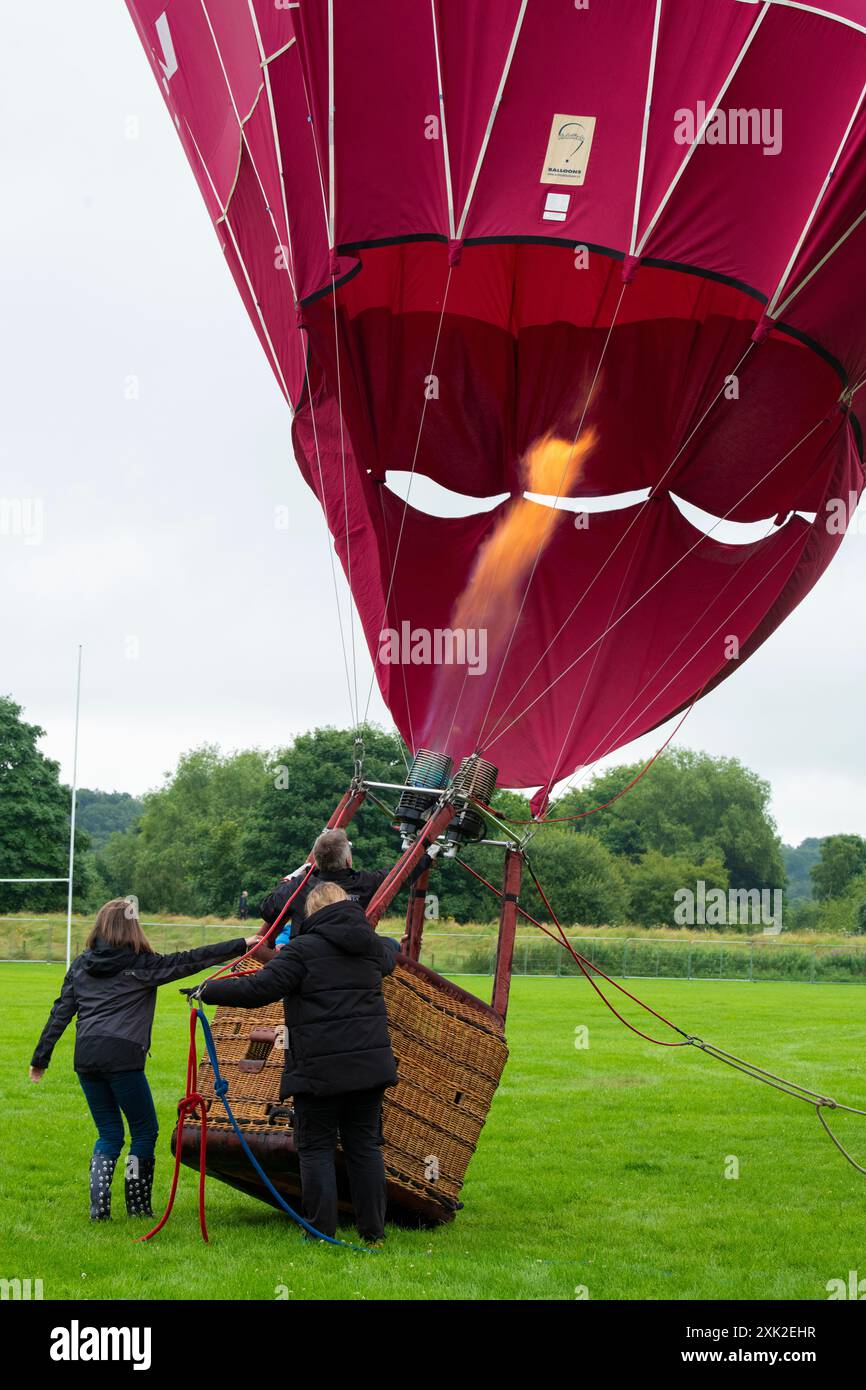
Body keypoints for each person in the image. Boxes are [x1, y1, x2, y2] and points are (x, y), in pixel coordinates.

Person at [29, 897, 258, 1222]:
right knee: (144, 1131)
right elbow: (189, 960)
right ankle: (137, 1206)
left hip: (87, 1058)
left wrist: (41, 1058)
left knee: (108, 1132)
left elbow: (60, 1012)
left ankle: (99, 1208)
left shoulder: (81, 964)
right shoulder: (143, 964)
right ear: (132, 927)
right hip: (122, 1057)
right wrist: (241, 944)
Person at [198, 880, 399, 1243]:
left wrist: (208, 991)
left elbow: (257, 989)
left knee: (316, 1146)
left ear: (312, 914)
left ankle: (320, 1232)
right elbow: (392, 950)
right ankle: (374, 1232)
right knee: (364, 1146)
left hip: (318, 1071)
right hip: (369, 1069)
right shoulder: (371, 948)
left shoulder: (302, 952)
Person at [263, 826, 436, 947]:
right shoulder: (366, 883)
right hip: (353, 957)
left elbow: (268, 910)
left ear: (316, 860)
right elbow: (400, 877)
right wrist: (426, 856)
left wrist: (293, 876)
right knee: (391, 946)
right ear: (348, 860)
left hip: (304, 962)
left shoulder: (299, 886)